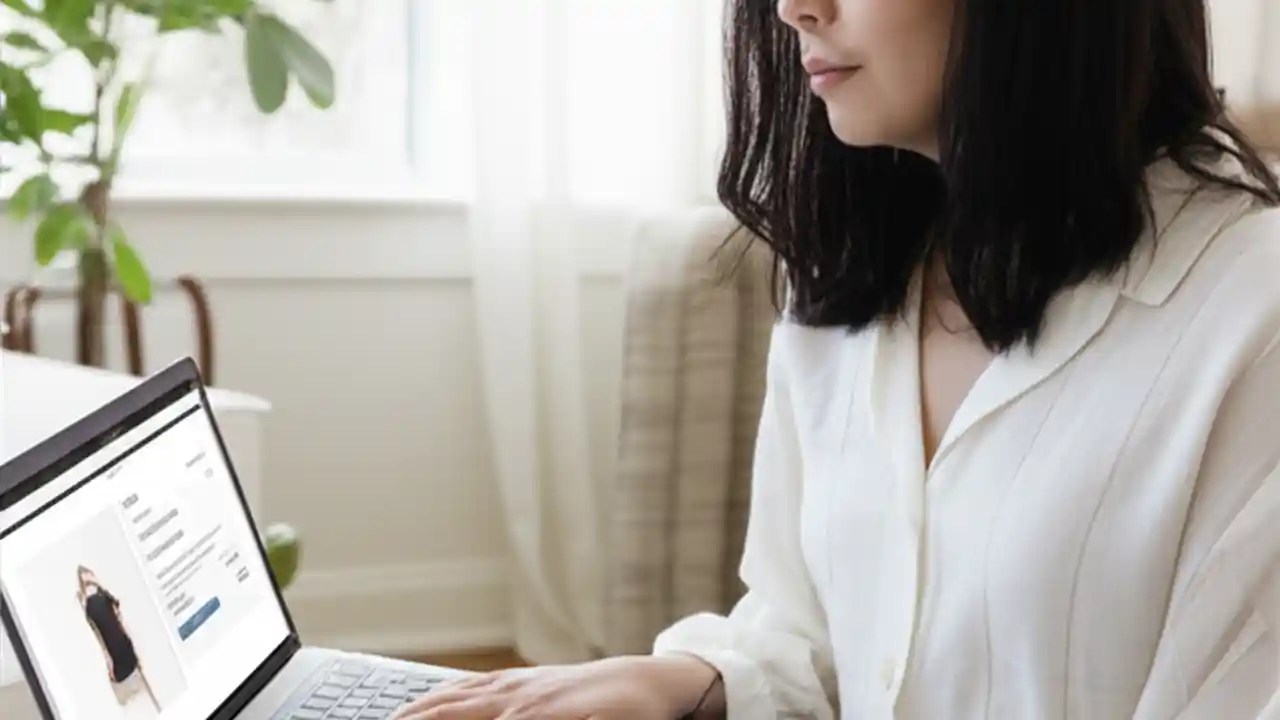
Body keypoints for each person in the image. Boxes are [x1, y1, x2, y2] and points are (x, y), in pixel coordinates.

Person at [397, 0, 1280, 717]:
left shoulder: (1252, 312)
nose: (794, 10)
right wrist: (698, 680)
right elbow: (818, 636)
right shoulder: (854, 279)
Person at [78, 566, 159, 712]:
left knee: (145, 692)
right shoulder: (88, 606)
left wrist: (97, 583)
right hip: (114, 654)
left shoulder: (105, 597)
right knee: (130, 705)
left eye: (90, 578)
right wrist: (109, 664)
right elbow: (99, 638)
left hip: (124, 645)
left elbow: (120, 617)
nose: (89, 583)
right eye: (86, 581)